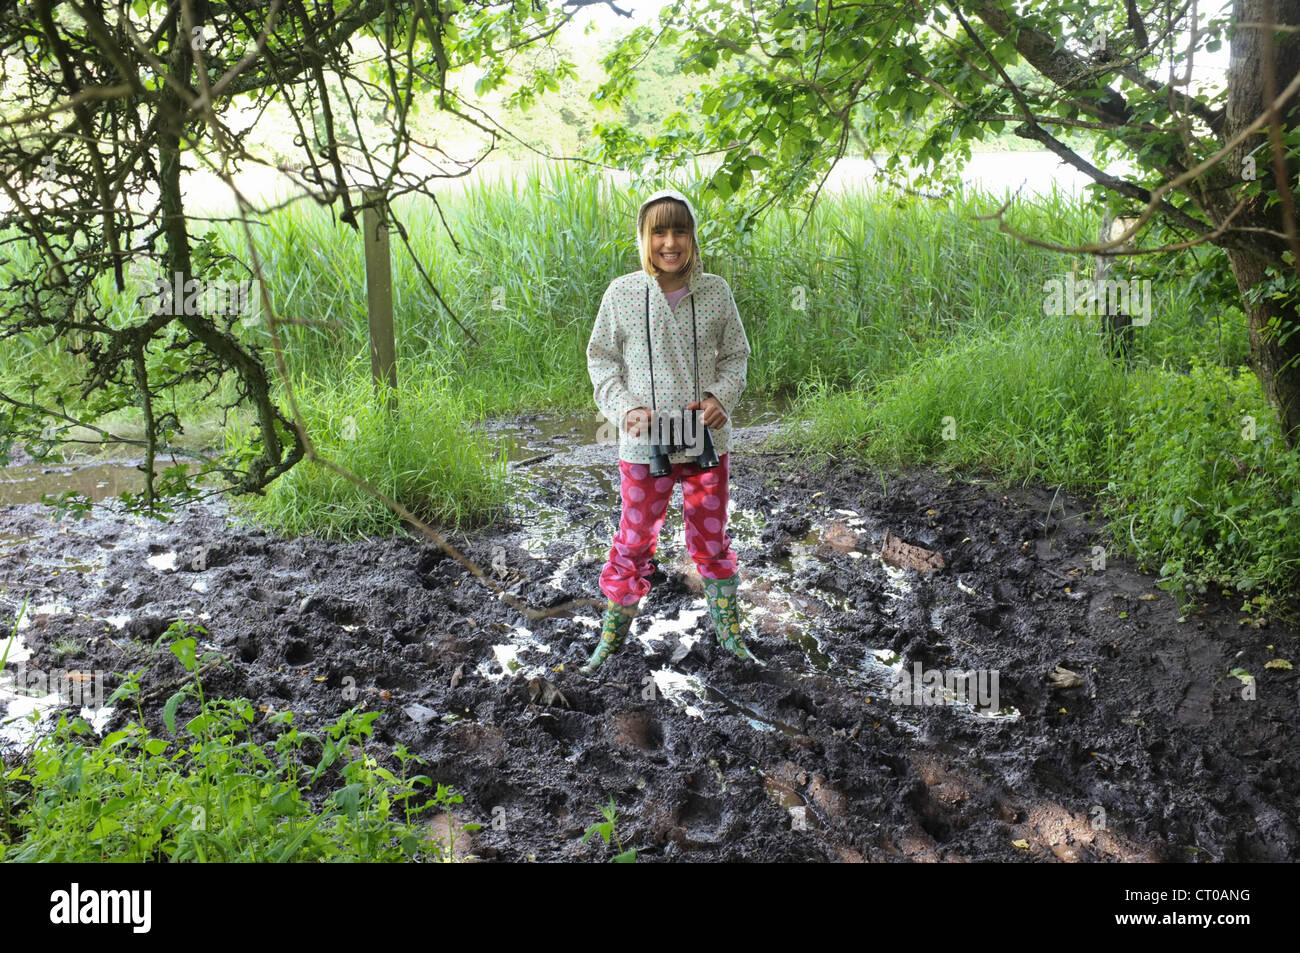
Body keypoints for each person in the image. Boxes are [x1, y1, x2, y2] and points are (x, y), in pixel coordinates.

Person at [582, 188, 758, 673]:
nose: (670, 242)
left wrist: (722, 398)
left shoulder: (716, 292)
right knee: (634, 540)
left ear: (692, 236)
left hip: (706, 442)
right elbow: (601, 359)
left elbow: (737, 355)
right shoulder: (622, 294)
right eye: (659, 231)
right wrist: (624, 409)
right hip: (645, 445)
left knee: (713, 539)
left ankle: (730, 638)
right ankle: (611, 645)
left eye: (680, 230)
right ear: (644, 236)